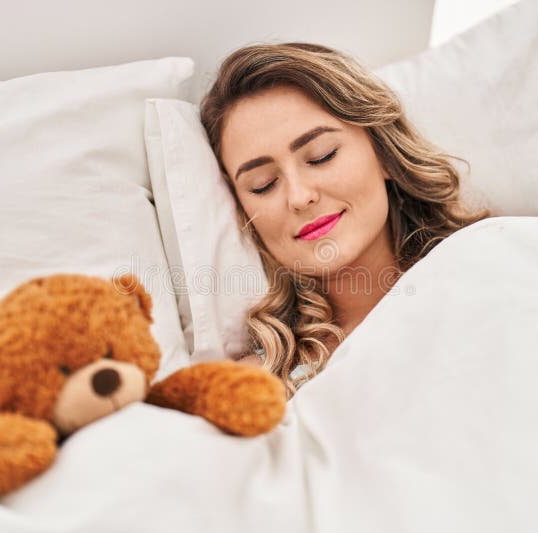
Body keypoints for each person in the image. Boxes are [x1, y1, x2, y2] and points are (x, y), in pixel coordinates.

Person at [200, 42, 488, 397]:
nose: (299, 196)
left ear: (383, 152)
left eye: (321, 156)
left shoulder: (492, 263)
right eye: (264, 185)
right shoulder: (258, 386)